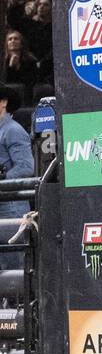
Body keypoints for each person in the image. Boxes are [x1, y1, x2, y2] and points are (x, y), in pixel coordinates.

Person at [0, 86, 34, 268]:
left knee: (13, 263)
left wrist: (3, 177)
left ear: (3, 103)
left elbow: (26, 167)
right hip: (4, 205)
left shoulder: (12, 130)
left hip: (11, 207)